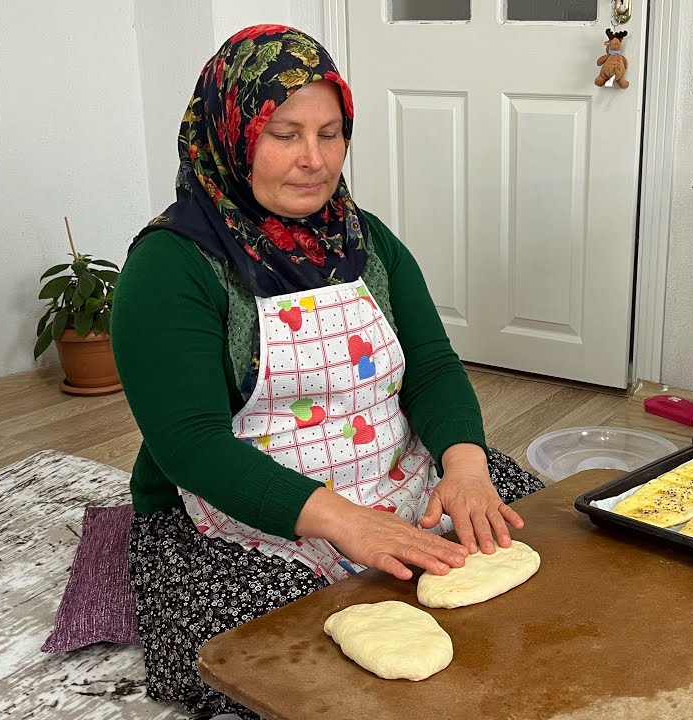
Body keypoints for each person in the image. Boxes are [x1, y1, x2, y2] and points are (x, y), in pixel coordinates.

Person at [111, 24, 544, 717]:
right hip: (246, 513)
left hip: (391, 473)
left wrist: (463, 468)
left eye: (331, 132)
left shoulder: (365, 239)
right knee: (286, 666)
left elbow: (431, 367)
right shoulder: (172, 266)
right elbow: (190, 444)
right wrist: (345, 523)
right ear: (231, 132)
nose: (314, 159)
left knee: (537, 544)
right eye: (284, 133)